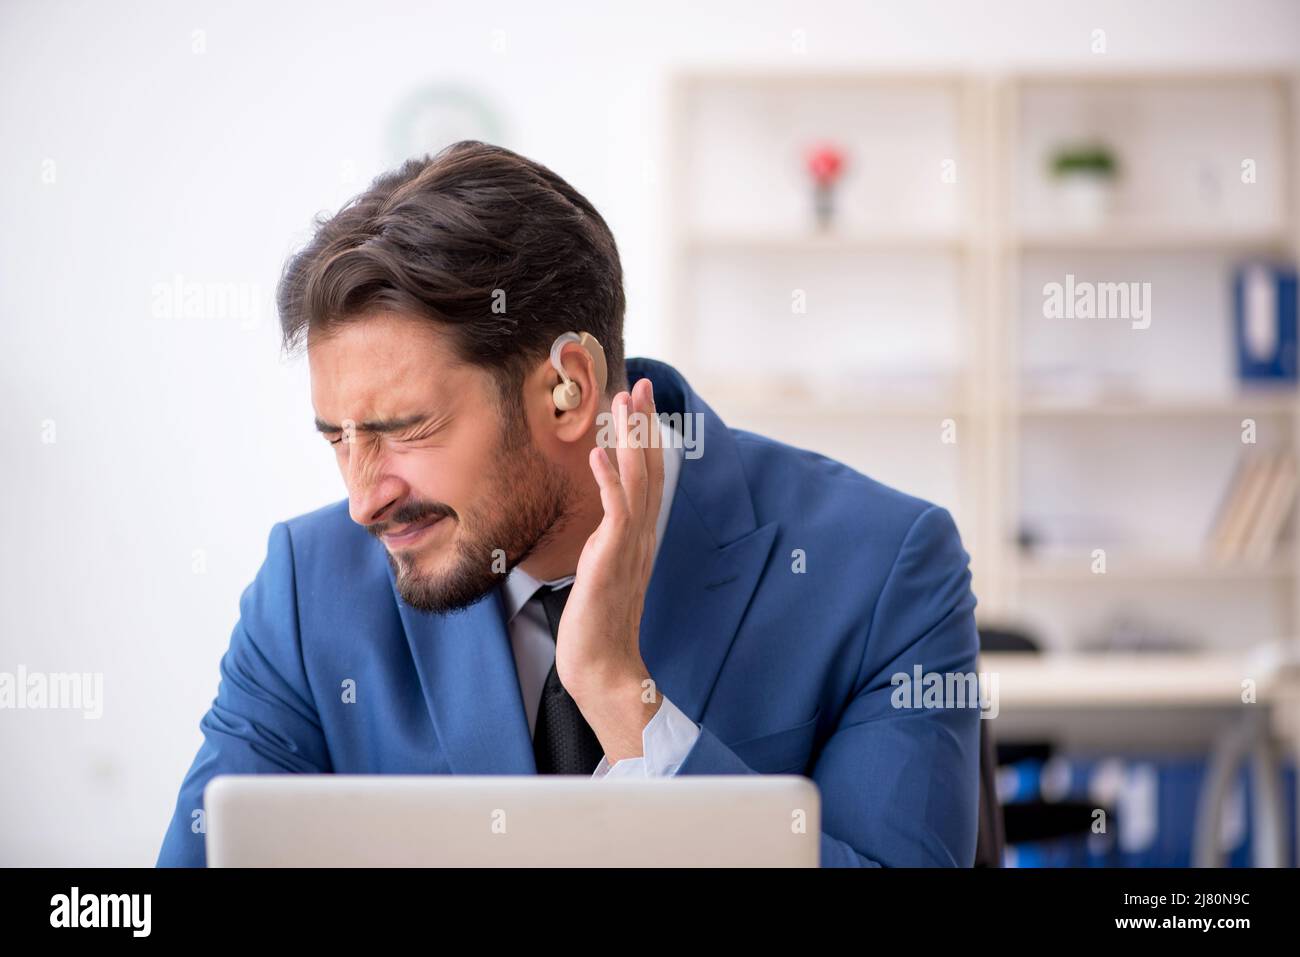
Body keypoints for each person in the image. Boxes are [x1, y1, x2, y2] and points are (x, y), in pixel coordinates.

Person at [157, 140, 981, 867]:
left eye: (407, 429)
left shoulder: (883, 569)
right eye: (338, 437)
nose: (365, 499)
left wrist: (625, 700)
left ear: (566, 391)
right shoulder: (306, 594)